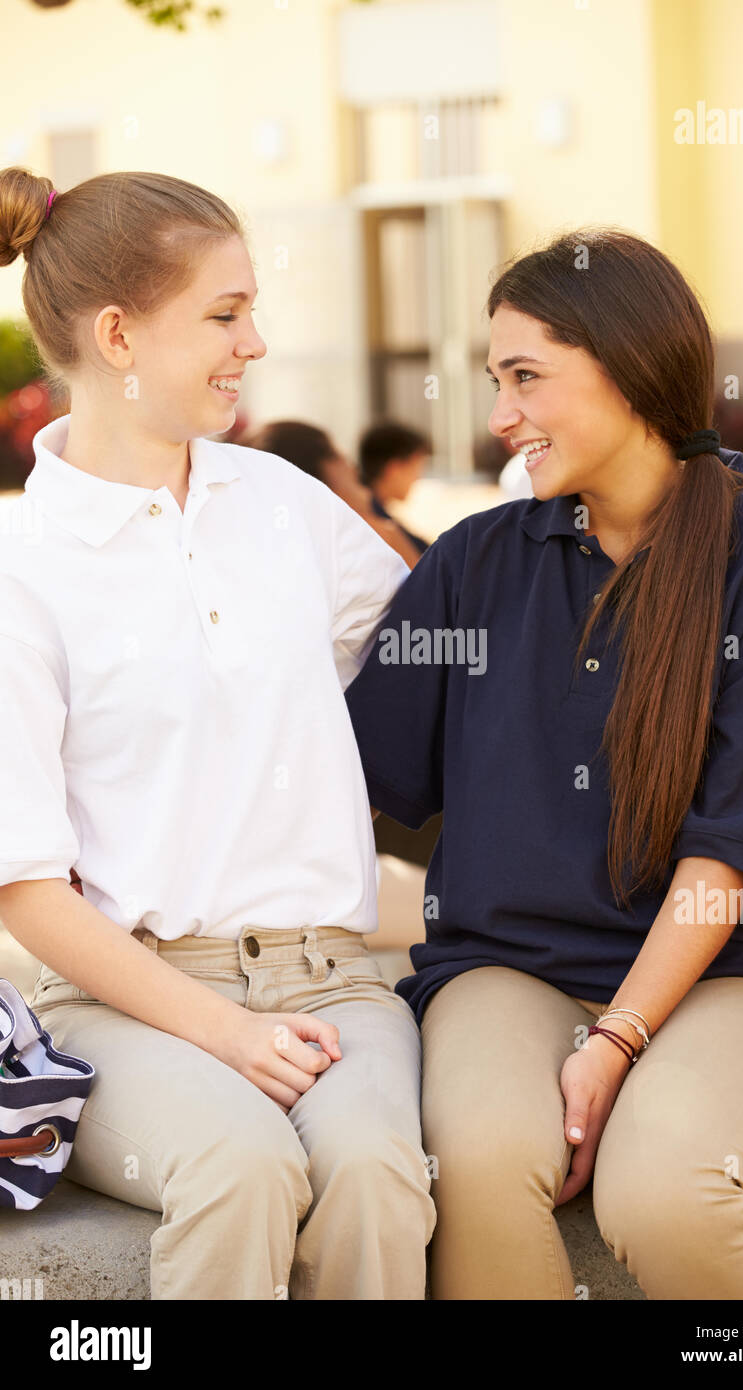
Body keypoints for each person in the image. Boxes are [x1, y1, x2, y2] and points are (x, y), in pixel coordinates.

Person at [343, 227, 743, 1301]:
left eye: (525, 376)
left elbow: (725, 861)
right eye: (495, 380)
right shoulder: (474, 562)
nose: (498, 416)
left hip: (722, 977)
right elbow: (353, 776)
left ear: (628, 368)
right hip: (503, 966)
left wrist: (615, 1038)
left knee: (666, 1189)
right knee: (479, 1168)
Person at [0, 167, 435, 1297]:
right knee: (242, 1167)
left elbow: (439, 649)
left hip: (335, 980)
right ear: (117, 334)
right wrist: (225, 1033)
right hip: (123, 1001)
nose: (253, 343)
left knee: (383, 1170)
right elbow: (26, 892)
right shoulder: (19, 571)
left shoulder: (282, 502)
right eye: (224, 314)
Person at [243, 419, 423, 569]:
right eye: (336, 454)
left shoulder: (276, 554)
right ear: (317, 474)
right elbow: (434, 599)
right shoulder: (368, 539)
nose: (352, 467)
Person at [358, 421, 431, 559]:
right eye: (416, 467)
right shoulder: (376, 521)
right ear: (394, 468)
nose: (418, 477)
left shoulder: (372, 512)